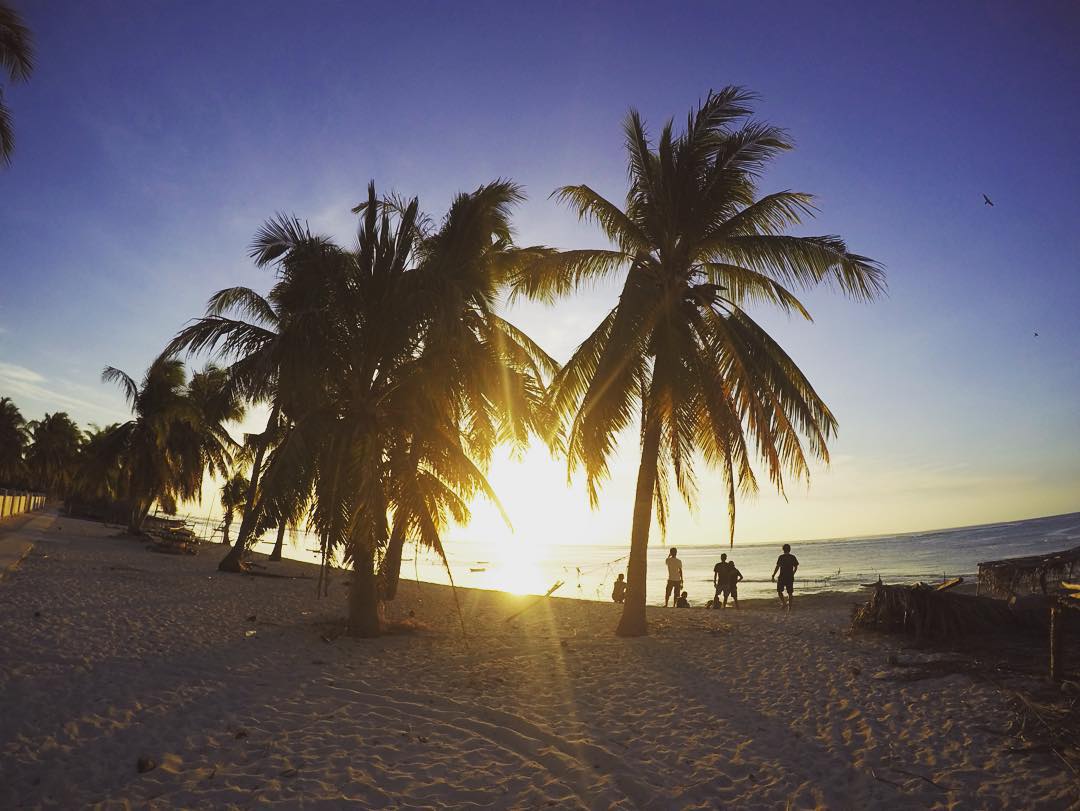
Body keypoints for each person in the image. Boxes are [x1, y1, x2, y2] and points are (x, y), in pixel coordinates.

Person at [771, 543, 800, 610]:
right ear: (790, 549)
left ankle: (784, 603)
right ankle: (789, 607)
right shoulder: (792, 557)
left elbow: (777, 567)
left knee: (779, 591)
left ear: (783, 549)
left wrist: (773, 575)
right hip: (789, 577)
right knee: (790, 592)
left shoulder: (781, 557)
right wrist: (793, 573)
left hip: (782, 576)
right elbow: (796, 567)